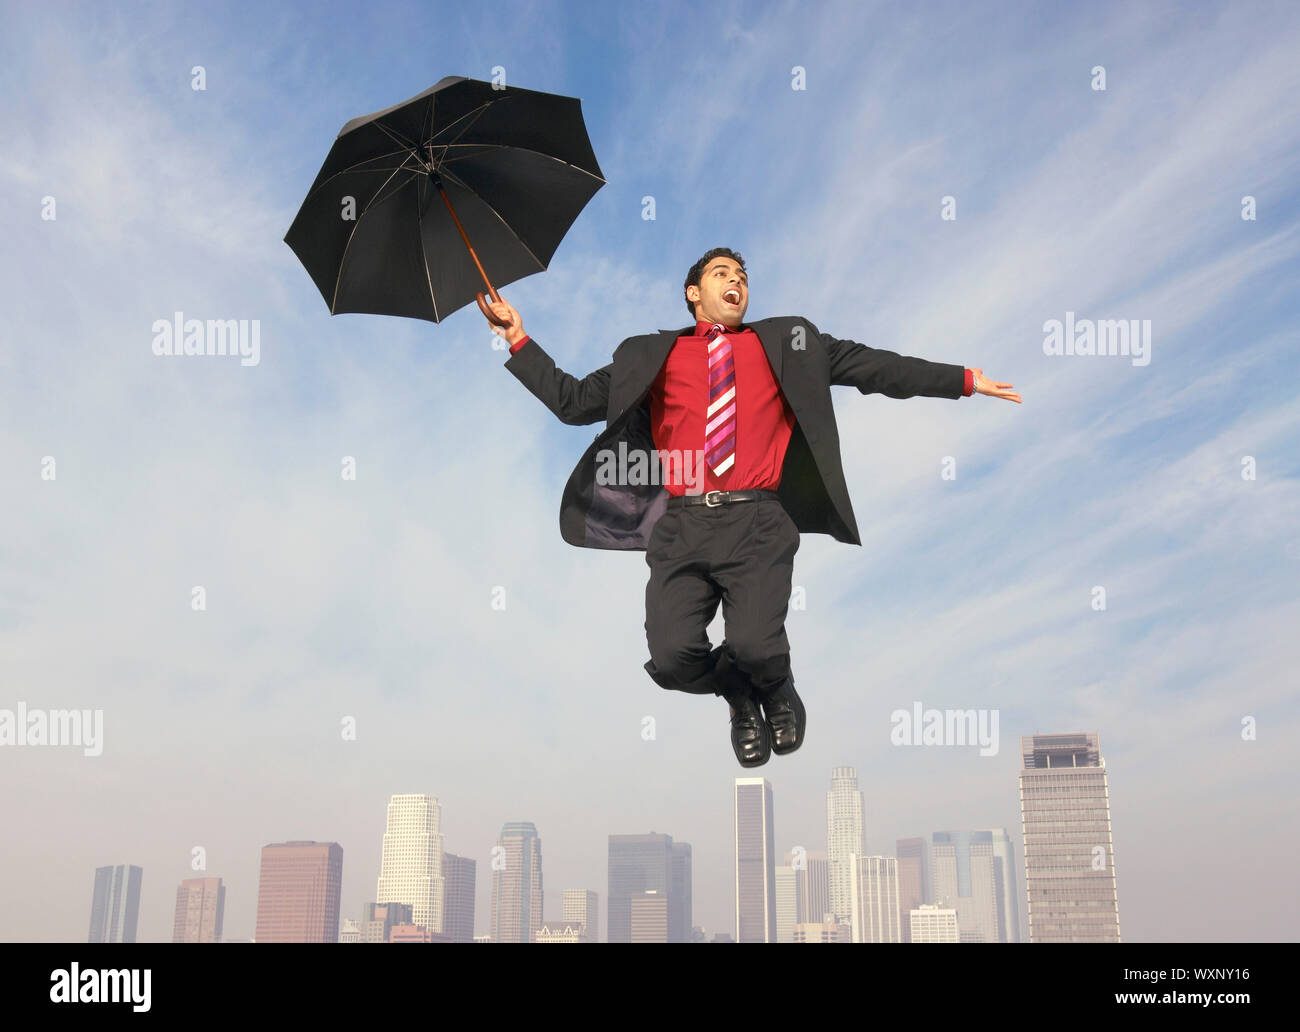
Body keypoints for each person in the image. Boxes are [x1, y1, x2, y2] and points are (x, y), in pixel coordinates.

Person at [491, 248, 1021, 767]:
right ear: (693, 294)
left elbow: (874, 367)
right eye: (722, 272)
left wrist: (963, 380)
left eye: (743, 275)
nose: (737, 280)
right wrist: (516, 336)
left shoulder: (790, 344)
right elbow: (574, 401)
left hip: (758, 520)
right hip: (682, 525)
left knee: (756, 646)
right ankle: (740, 697)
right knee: (673, 658)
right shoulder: (648, 355)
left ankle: (775, 682)